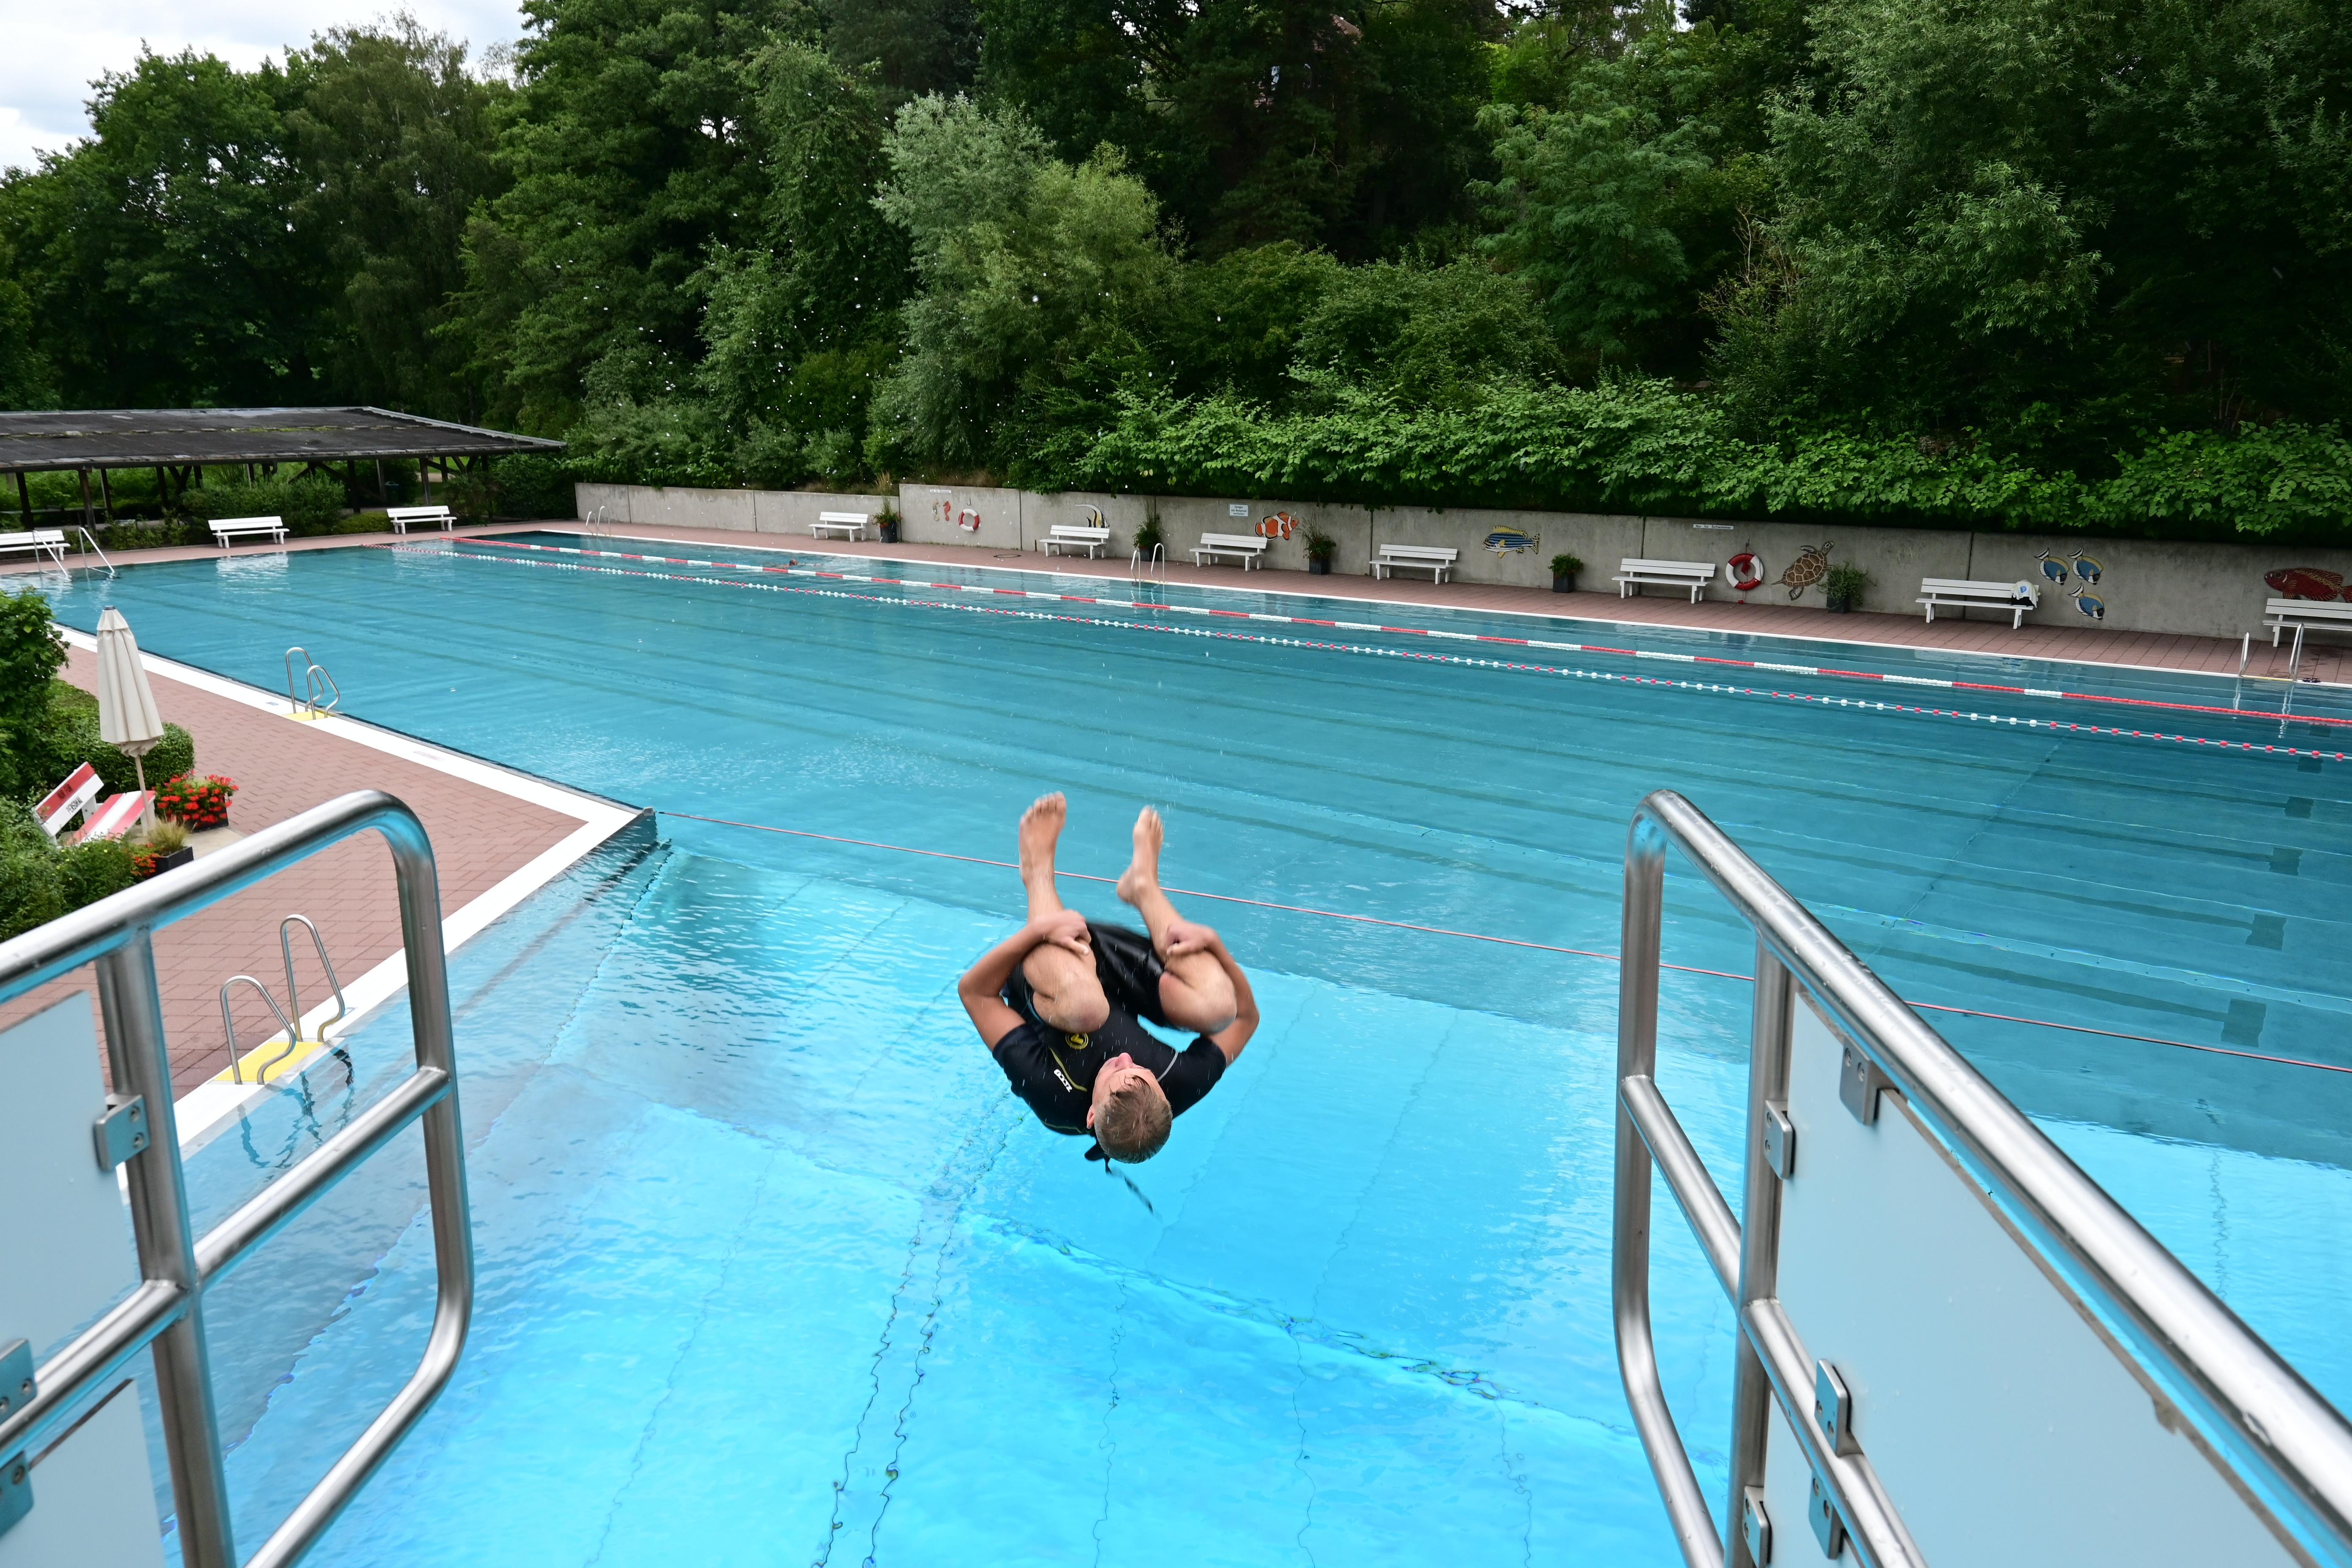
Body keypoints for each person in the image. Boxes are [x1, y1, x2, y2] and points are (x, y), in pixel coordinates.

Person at [958, 794, 1257, 1164]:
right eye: (1143, 1071)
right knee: (1218, 1006)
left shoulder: (1052, 1096)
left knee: (1086, 1008)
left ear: (1091, 1114)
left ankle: (1037, 874)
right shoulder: (1179, 1087)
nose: (1128, 1058)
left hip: (1049, 973)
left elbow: (975, 994)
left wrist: (1036, 932)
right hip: (1119, 969)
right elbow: (1246, 1019)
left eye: (1117, 1071)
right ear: (1165, 1098)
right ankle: (1144, 887)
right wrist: (1214, 944)